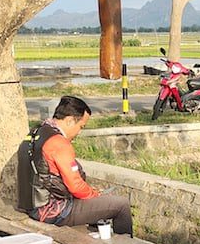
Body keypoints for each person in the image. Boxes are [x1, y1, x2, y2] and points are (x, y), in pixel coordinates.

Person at [18, 95, 133, 235]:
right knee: (121, 205)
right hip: (52, 211)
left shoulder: (36, 132)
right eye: (80, 127)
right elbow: (76, 187)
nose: (79, 132)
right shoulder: (58, 142)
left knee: (97, 202)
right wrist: (95, 194)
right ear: (70, 120)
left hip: (32, 206)